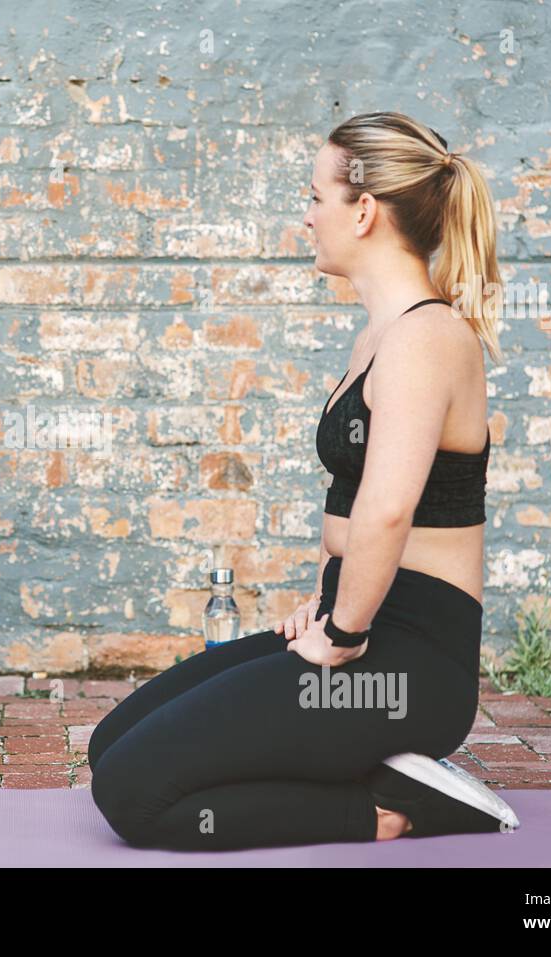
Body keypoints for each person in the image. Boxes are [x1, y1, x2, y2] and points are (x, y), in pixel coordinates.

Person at [89, 111, 520, 850]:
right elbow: (352, 504)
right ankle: (376, 767)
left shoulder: (429, 338)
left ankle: (393, 810)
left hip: (412, 665)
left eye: (314, 196)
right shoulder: (377, 338)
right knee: (113, 745)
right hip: (359, 619)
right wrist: (323, 605)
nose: (306, 215)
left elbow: (388, 512)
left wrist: (343, 635)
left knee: (133, 791)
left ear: (363, 210)